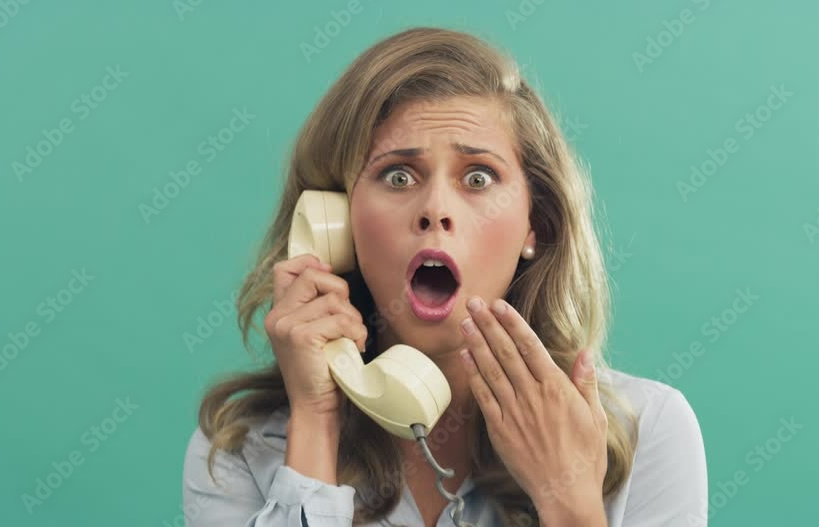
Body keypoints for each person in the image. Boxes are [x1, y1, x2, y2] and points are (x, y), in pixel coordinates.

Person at [182, 26, 707, 527]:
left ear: (537, 226)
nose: (435, 208)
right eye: (398, 176)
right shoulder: (240, 449)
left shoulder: (647, 431)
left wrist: (568, 501)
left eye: (478, 177)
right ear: (335, 223)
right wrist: (316, 422)